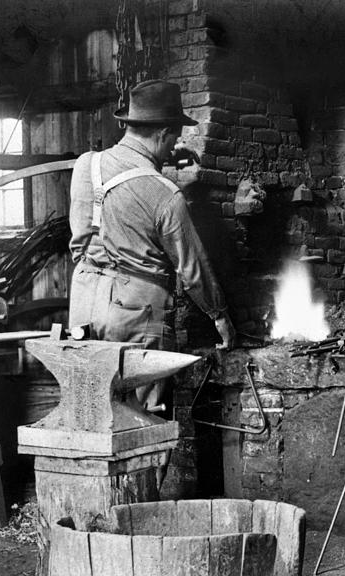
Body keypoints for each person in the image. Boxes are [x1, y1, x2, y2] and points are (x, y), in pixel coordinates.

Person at [68, 79, 234, 410]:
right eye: (174, 138)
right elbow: (191, 268)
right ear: (163, 132)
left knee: (91, 410)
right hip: (137, 310)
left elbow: (88, 232)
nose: (174, 146)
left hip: (85, 299)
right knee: (146, 419)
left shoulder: (86, 165)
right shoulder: (166, 194)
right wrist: (219, 314)